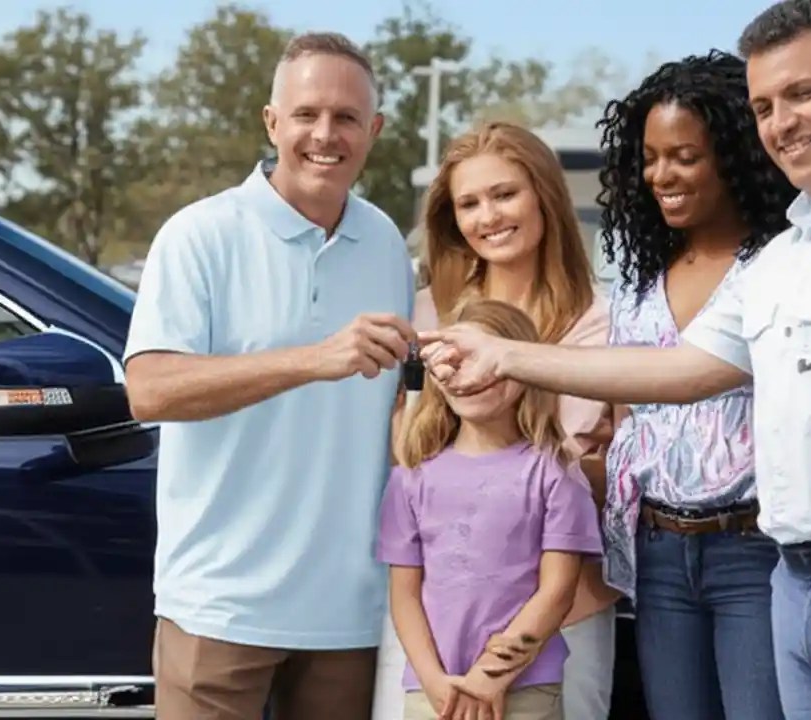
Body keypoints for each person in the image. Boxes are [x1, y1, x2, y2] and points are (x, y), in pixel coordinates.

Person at [417, 1, 811, 718]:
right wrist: (504, 354)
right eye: (764, 106)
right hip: (793, 582)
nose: (781, 122)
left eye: (802, 94)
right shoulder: (790, 254)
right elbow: (677, 371)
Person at [122, 31, 416, 719]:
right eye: (306, 114)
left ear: (373, 131)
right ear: (272, 121)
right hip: (218, 607)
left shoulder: (385, 244)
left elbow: (402, 406)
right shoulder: (198, 236)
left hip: (350, 613)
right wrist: (313, 359)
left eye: (347, 118)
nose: (325, 134)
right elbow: (149, 391)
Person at [394, 119, 620, 720]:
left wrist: (574, 475)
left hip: (566, 613)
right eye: (469, 203)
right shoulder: (424, 317)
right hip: (439, 623)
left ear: (543, 195)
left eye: (504, 194)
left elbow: (627, 468)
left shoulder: (607, 323)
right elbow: (406, 450)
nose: (488, 216)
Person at [594, 50, 795, 719]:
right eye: (650, 158)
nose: (661, 175)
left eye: (685, 156)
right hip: (656, 550)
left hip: (755, 549)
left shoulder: (779, 266)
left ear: (736, 156)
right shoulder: (636, 283)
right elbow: (625, 417)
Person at [378, 299, 604, 720]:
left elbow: (557, 591)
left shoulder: (556, 475)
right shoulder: (410, 478)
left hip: (526, 690)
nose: (469, 375)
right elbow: (404, 594)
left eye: (483, 360)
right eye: (453, 362)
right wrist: (434, 681)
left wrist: (489, 678)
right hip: (432, 693)